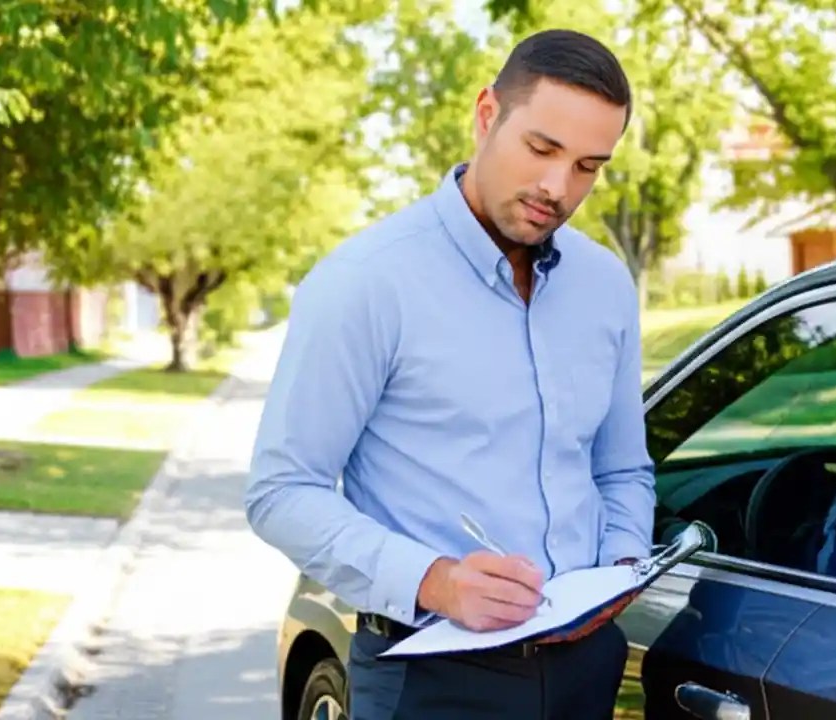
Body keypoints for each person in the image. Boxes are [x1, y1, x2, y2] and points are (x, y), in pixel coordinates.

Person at [245, 28, 655, 719]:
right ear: (487, 113)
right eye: (542, 149)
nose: (559, 187)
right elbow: (281, 492)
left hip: (587, 670)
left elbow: (622, 472)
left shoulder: (606, 287)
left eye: (588, 165)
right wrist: (433, 581)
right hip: (434, 678)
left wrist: (618, 566)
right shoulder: (365, 283)